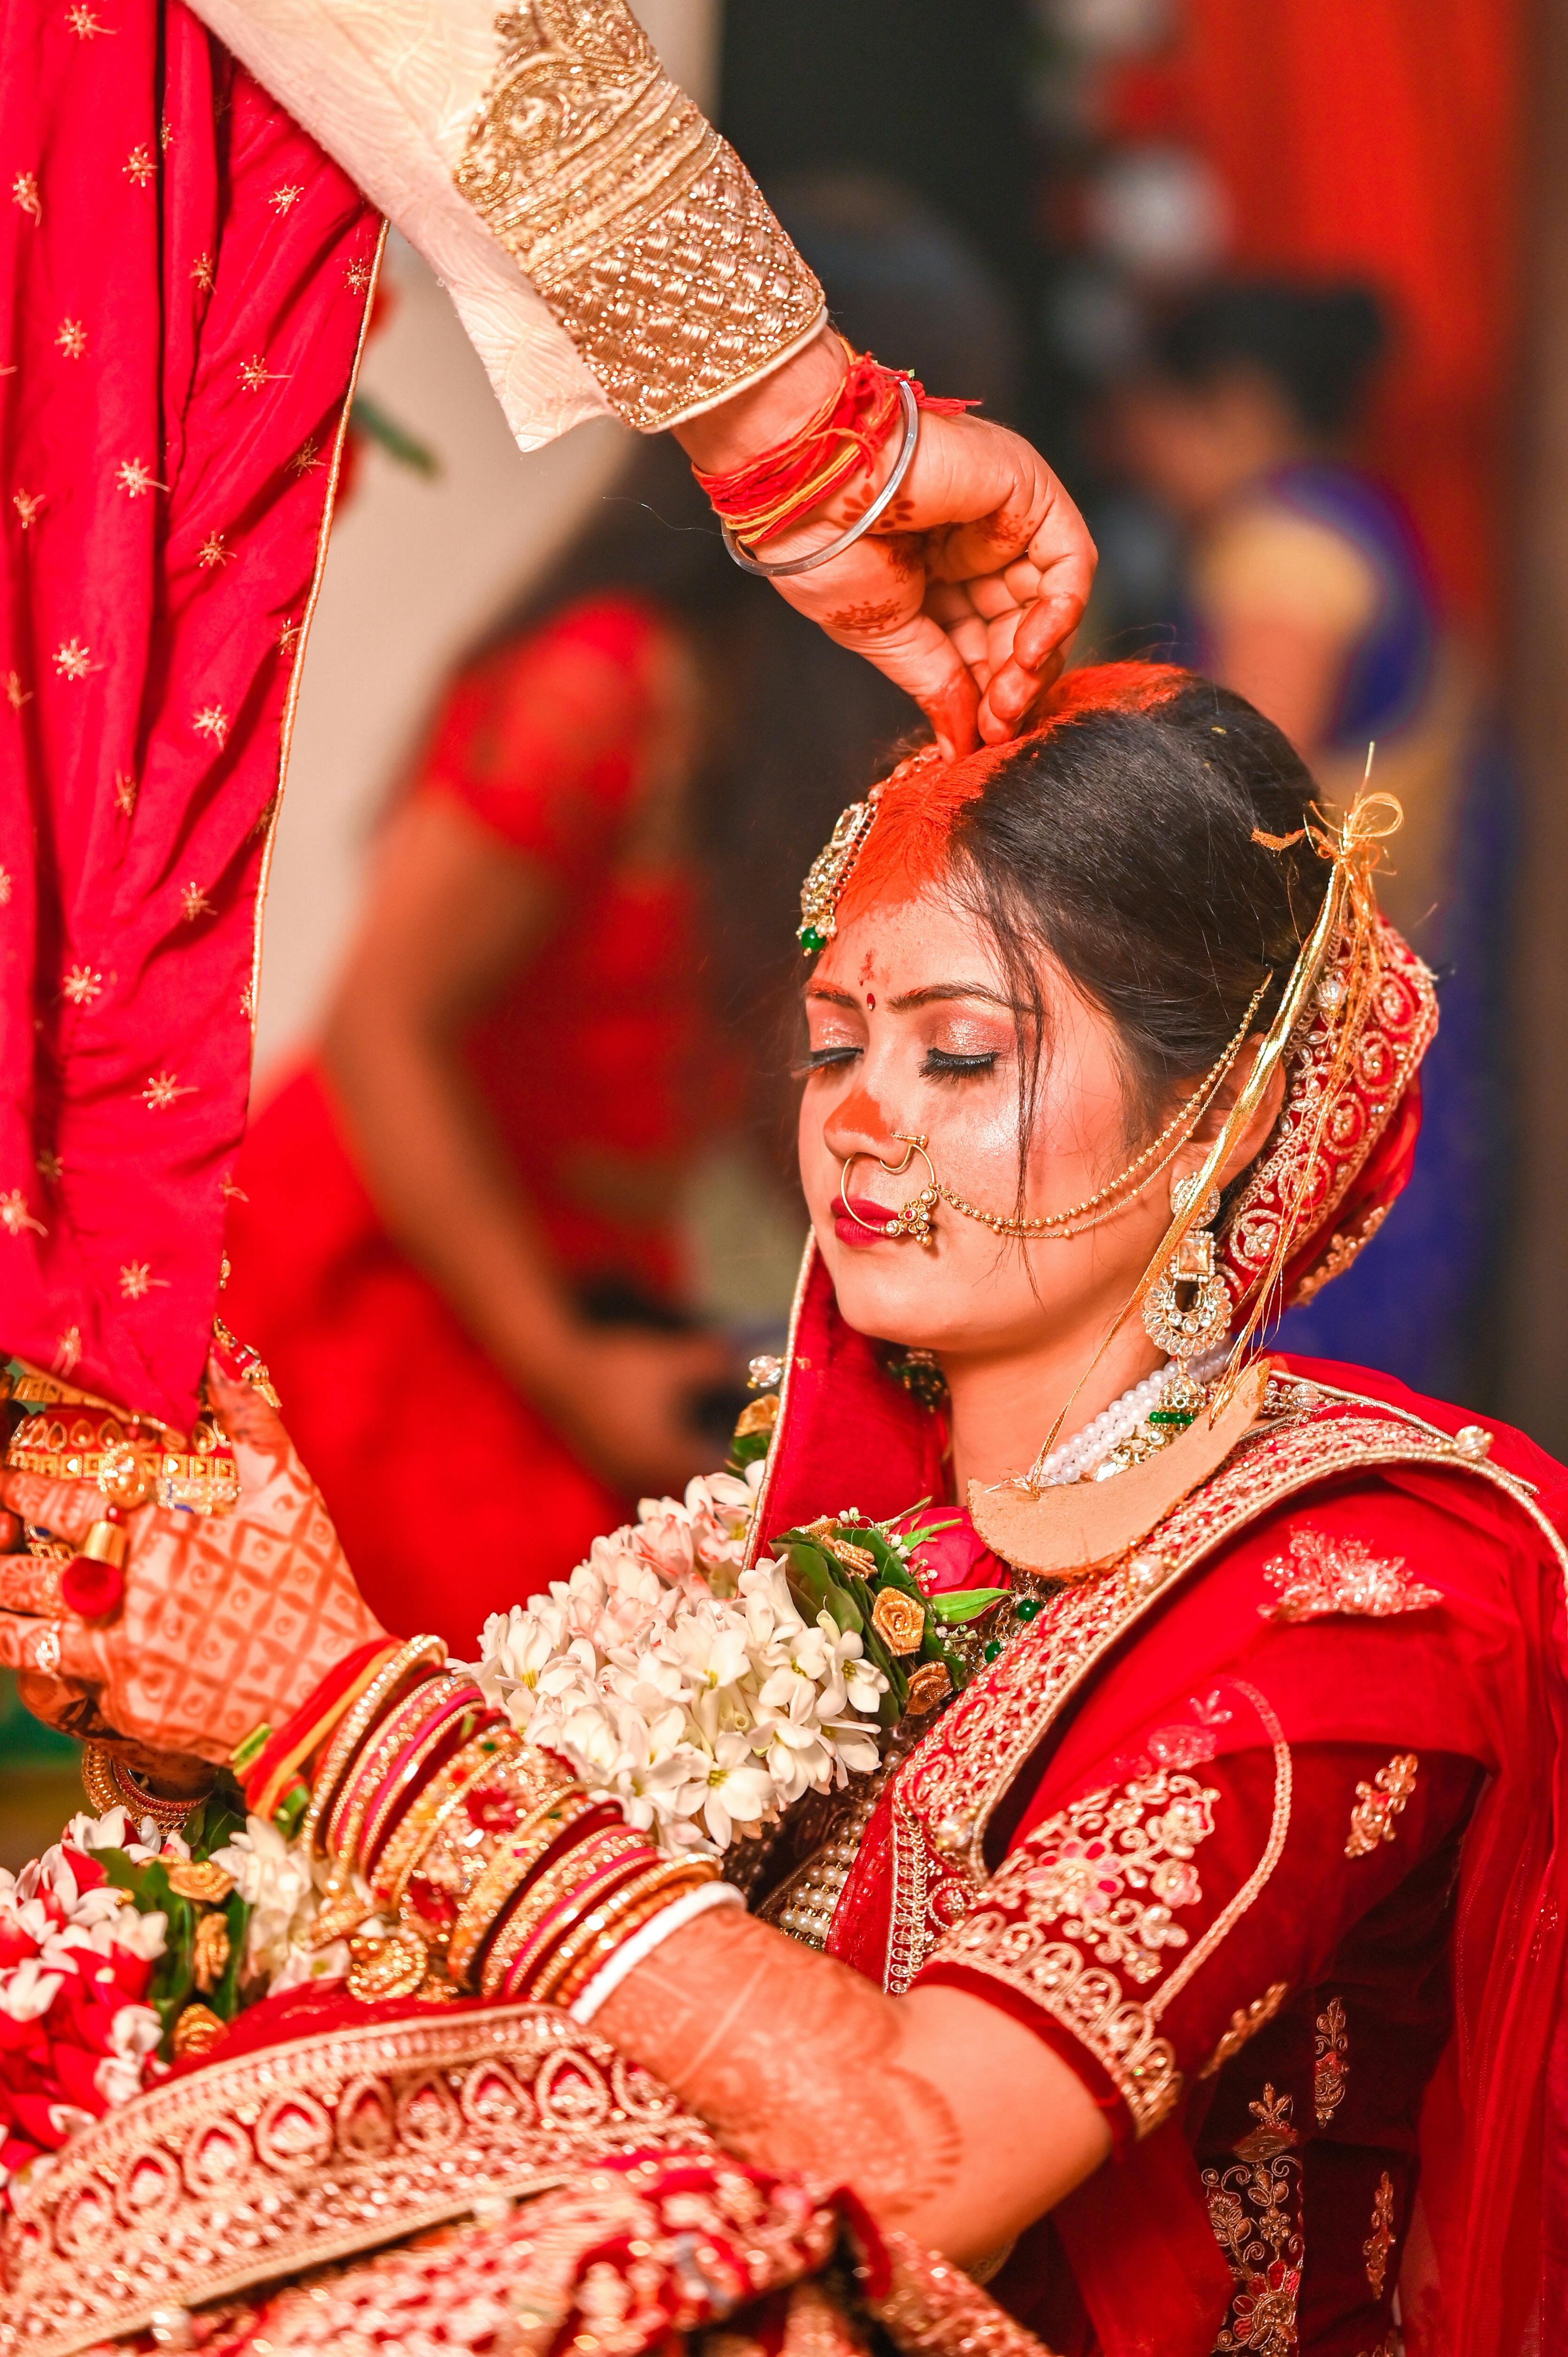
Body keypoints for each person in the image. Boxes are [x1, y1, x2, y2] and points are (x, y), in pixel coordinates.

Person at [2, 668, 1560, 2357]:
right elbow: (554, 1977)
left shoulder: (1364, 1595)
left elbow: (925, 2155)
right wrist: (198, 1716)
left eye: (959, 1052)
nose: (861, 1120)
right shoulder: (862, 1534)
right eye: (835, 1046)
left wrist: (336, 1703)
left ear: (1223, 1116)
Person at [222, 184, 1028, 1651]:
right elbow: (379, 1030)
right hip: (404, 1294)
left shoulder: (795, 724)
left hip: (585, 1301)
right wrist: (563, 1360)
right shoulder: (595, 693)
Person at [1109, 280, 1512, 1402]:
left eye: (1154, 415)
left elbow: (1238, 800)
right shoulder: (1360, 519)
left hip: (1309, 1023)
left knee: (1289, 1361)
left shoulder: (1282, 546)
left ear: (1233, 406)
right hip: (1380, 995)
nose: (1134, 449)